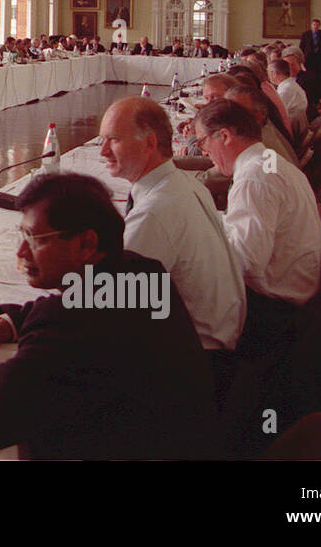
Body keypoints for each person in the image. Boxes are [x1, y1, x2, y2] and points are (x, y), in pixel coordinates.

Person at [0, 173, 218, 459]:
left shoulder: (69, 332)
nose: (20, 253)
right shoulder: (140, 270)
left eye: (34, 239)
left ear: (86, 244)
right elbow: (68, 304)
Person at [98, 98, 247, 359]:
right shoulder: (184, 184)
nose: (103, 152)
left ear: (149, 143)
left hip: (198, 359)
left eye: (113, 140)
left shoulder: (155, 212)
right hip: (222, 338)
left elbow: (112, 301)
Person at [192, 99, 321, 314]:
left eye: (202, 142)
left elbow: (245, 264)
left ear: (224, 136)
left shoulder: (254, 178)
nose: (204, 152)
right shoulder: (268, 159)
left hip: (277, 311)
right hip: (301, 295)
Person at [269, 57, 308, 137]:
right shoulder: (289, 84)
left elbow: (275, 113)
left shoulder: (286, 89)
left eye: (268, 72)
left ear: (275, 73)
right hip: (295, 126)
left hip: (291, 131)